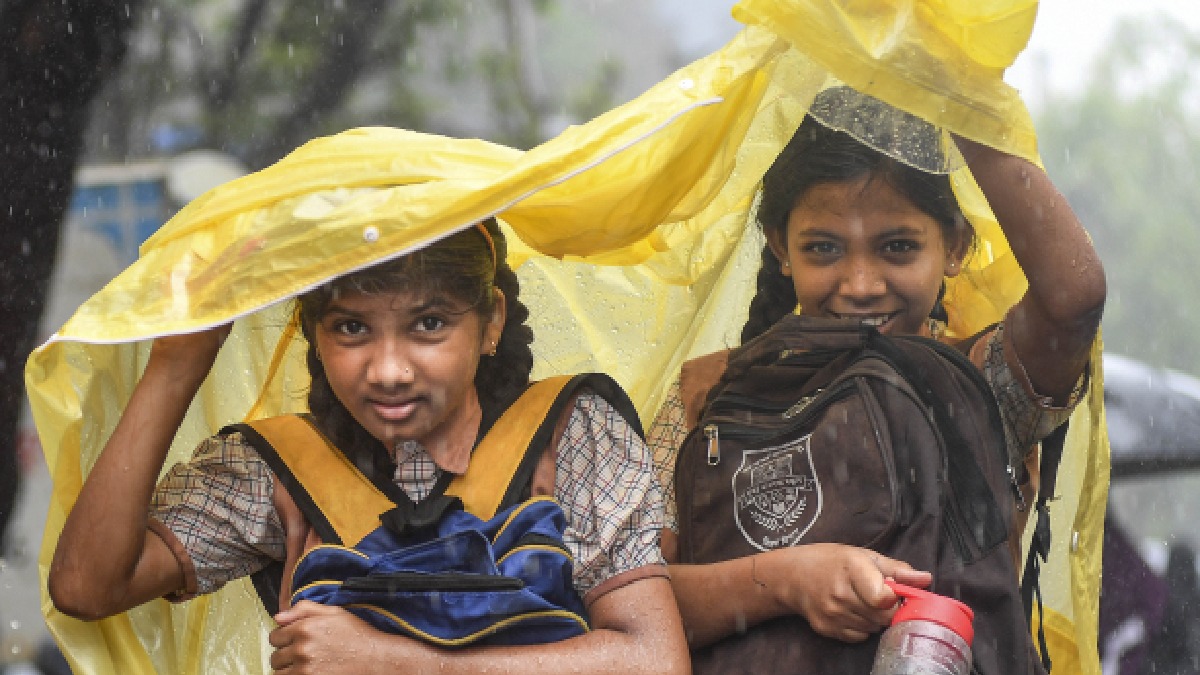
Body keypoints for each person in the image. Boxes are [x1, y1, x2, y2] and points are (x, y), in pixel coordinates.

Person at [47, 216, 689, 675]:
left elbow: (653, 658)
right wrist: (177, 364)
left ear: (490, 322)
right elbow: (87, 587)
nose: (389, 370)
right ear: (314, 337)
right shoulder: (274, 470)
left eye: (427, 325)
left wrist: (398, 661)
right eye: (352, 328)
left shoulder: (569, 435)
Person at [647, 108, 1106, 657]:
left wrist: (958, 99)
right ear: (779, 247)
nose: (860, 285)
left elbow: (1073, 298)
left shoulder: (978, 386)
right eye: (823, 248)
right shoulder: (706, 392)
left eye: (897, 248)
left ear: (956, 246)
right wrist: (789, 582)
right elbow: (634, 598)